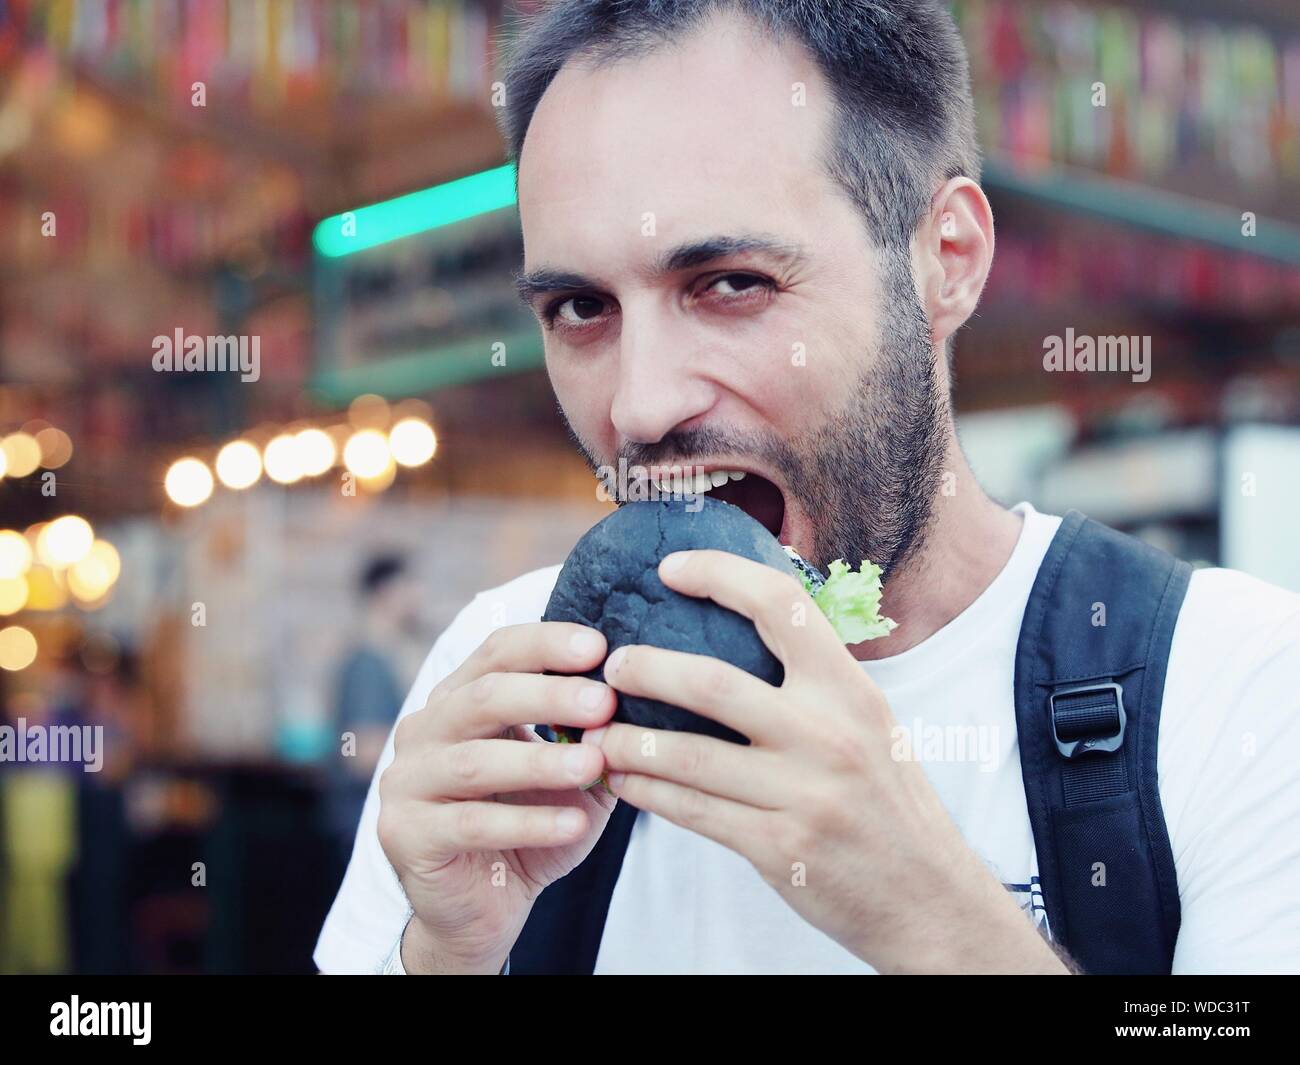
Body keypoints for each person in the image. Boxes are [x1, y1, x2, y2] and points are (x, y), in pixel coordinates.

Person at [315, 0, 1300, 974]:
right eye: (579, 306)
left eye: (731, 283)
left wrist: (937, 923)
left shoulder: (1236, 689)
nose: (639, 404)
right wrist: (446, 953)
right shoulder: (504, 675)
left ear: (945, 260)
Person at [323, 555, 422, 867]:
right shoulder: (368, 665)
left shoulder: (380, 659)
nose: (418, 594)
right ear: (385, 592)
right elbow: (363, 754)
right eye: (409, 585)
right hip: (366, 824)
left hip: (373, 822)